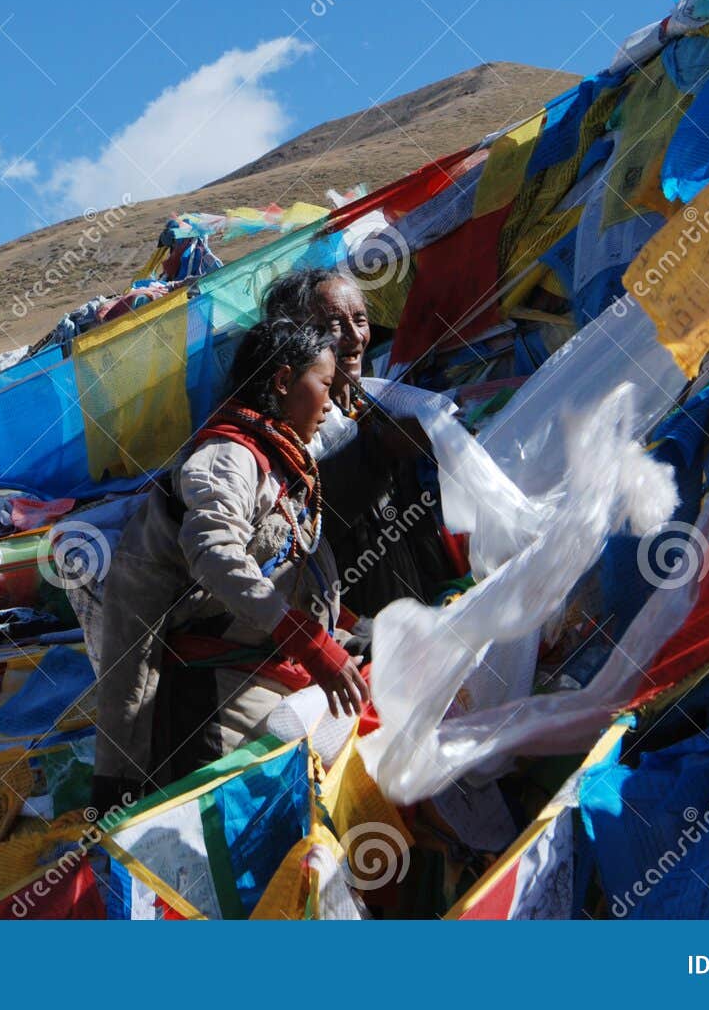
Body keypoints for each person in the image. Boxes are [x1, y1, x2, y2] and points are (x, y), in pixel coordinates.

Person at [92, 319, 370, 808]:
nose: (329, 405)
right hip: (213, 688)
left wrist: (339, 634)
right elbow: (214, 554)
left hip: (261, 662)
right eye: (324, 385)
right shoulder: (227, 458)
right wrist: (304, 639)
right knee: (244, 812)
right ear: (284, 382)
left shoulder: (279, 456)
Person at [262, 268, 455, 619]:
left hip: (430, 613)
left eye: (361, 320)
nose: (355, 337)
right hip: (361, 636)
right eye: (334, 326)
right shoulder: (284, 434)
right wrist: (381, 451)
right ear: (295, 340)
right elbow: (311, 515)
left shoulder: (385, 404)